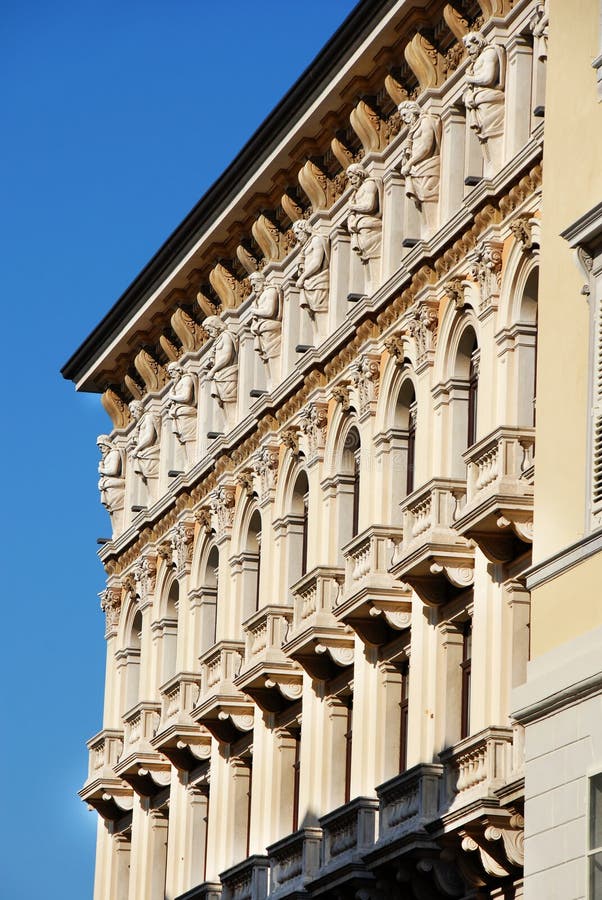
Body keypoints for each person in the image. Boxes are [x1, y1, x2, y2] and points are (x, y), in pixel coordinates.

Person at [292, 219, 330, 317]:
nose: (297, 238)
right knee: (313, 314)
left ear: (305, 230)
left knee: (319, 312)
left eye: (297, 233)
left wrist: (302, 277)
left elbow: (317, 263)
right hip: (310, 283)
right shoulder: (305, 247)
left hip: (318, 281)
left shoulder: (316, 240)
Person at [346, 163, 382, 262]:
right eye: (349, 178)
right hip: (360, 228)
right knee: (366, 258)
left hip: (369, 226)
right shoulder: (355, 193)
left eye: (352, 177)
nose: (351, 181)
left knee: (372, 257)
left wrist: (352, 206)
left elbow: (369, 206)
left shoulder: (369, 184)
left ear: (360, 174)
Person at [203, 316, 239, 407]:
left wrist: (213, 370)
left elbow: (226, 356)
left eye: (209, 330)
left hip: (228, 374)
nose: (209, 334)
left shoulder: (226, 336)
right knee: (224, 403)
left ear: (216, 326)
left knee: (229, 402)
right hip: (220, 377)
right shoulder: (217, 341)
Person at [248, 271, 282, 360]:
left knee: (273, 357)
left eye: (255, 285)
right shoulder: (257, 300)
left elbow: (269, 312)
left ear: (261, 282)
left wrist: (254, 311)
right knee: (267, 358)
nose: (254, 289)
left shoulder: (270, 291)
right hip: (263, 331)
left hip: (270, 329)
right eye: (252, 286)